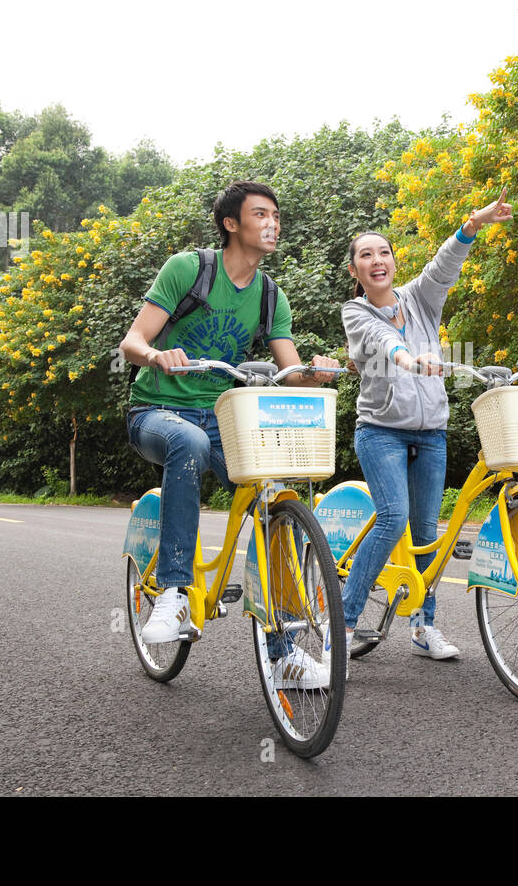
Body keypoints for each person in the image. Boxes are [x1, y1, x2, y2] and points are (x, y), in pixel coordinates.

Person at [118, 181, 338, 683]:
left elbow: (291, 372)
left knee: (272, 493)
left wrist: (317, 372)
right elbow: (133, 340)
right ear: (231, 223)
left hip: (221, 416)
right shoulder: (189, 270)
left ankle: (283, 650)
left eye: (277, 216)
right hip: (156, 410)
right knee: (187, 443)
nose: (273, 223)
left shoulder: (270, 296)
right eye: (261, 214)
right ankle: (173, 594)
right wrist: (157, 355)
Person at [339, 188, 513, 664]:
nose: (378, 260)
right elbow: (381, 340)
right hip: (381, 431)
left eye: (385, 253)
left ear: (394, 262)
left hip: (431, 431)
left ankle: (424, 625)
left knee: (425, 533)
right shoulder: (356, 312)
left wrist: (472, 225)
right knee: (394, 518)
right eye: (366, 256)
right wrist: (407, 358)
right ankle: (343, 623)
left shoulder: (419, 299)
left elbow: (443, 267)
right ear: (355, 271)